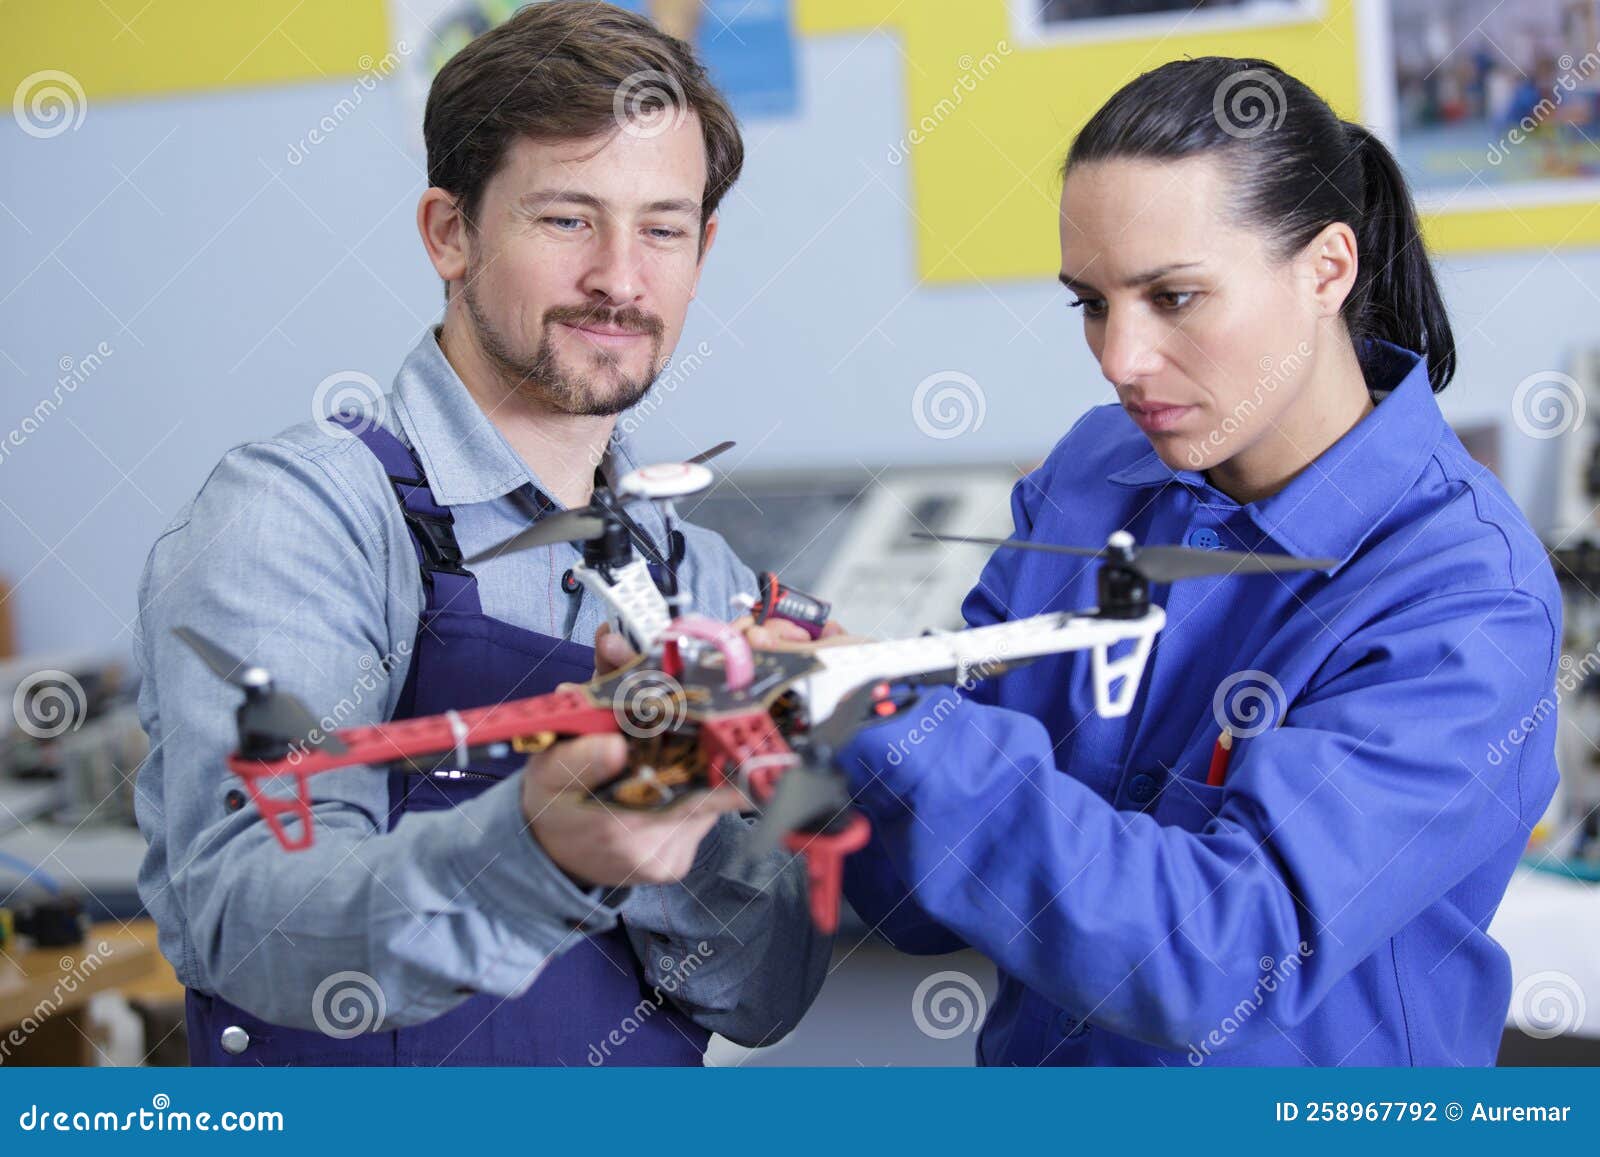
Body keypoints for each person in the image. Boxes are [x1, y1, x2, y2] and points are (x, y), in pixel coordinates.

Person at [134, 0, 827, 1067]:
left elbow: (766, 993)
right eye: (567, 219)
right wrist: (540, 849)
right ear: (449, 233)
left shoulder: (700, 580)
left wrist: (667, 828)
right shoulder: (304, 517)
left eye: (662, 228)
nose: (620, 278)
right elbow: (250, 918)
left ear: (704, 247)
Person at [838, 57, 1561, 1066]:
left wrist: (886, 719)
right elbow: (917, 893)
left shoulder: (1466, 595)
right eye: (1090, 304)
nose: (1120, 360)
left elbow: (1223, 956)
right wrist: (802, 730)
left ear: (1327, 270)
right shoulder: (1092, 475)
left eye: (1173, 296)